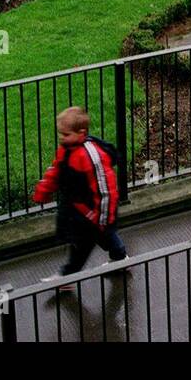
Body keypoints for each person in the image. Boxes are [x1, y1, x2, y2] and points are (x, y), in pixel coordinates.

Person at [33, 106, 127, 290]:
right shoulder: (67, 149)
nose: (62, 138)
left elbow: (106, 189)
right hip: (80, 210)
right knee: (104, 235)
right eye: (60, 134)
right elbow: (56, 171)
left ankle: (67, 277)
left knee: (81, 246)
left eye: (65, 134)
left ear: (81, 133)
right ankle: (120, 257)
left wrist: (102, 217)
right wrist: (43, 190)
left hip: (91, 214)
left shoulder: (90, 156)